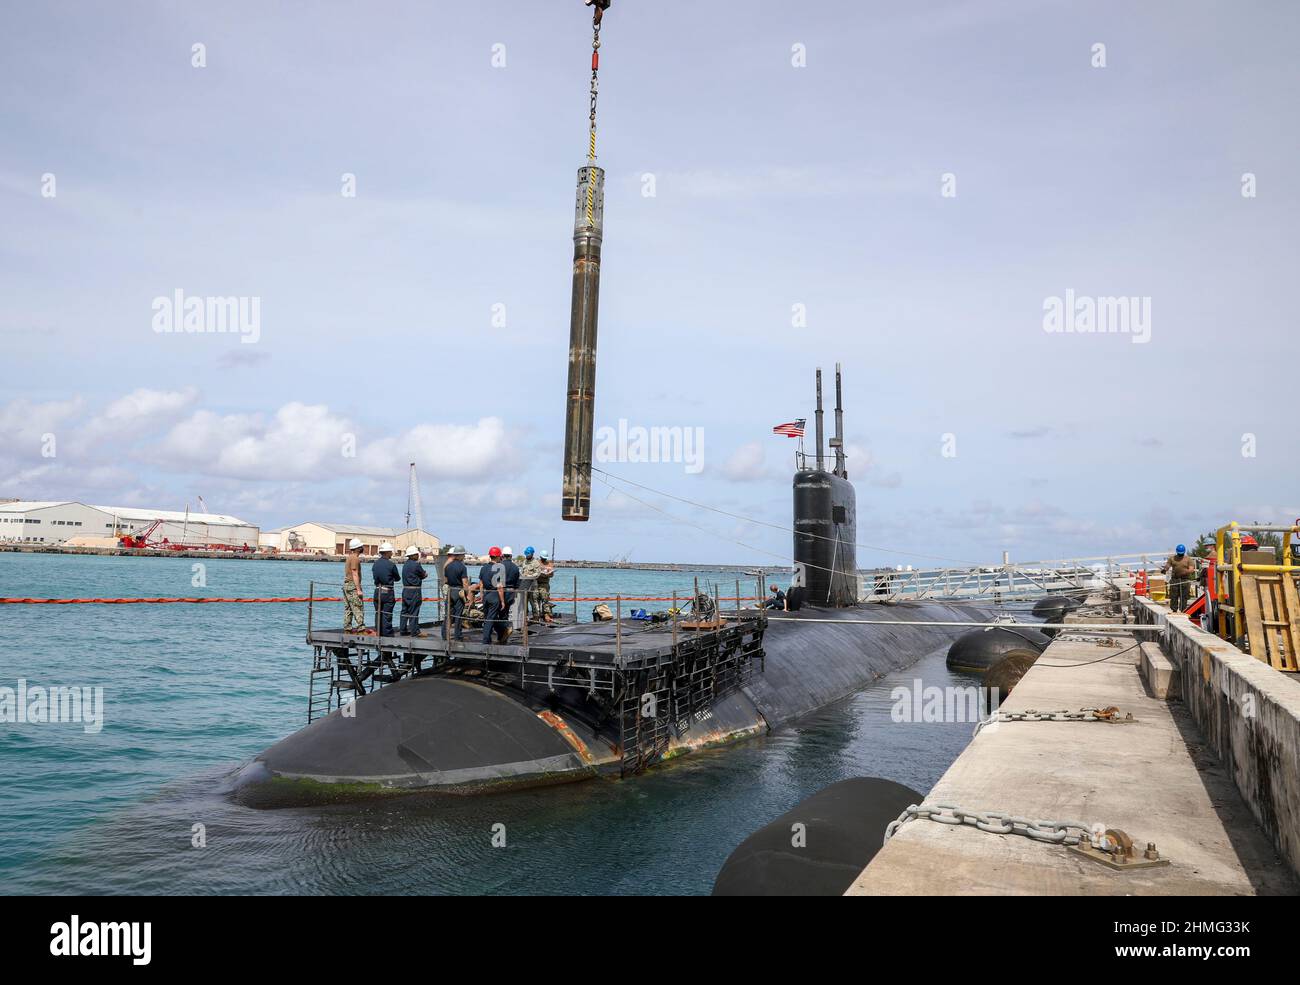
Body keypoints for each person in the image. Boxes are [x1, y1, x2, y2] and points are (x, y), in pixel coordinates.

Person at [441, 545, 471, 641]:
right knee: (458, 615)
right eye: (463, 554)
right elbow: (465, 583)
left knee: (448, 614)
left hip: (450, 591)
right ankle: (458, 636)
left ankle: (445, 635)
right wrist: (467, 594)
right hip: (458, 591)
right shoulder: (462, 567)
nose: (464, 556)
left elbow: (445, 579)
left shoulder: (448, 566)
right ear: (460, 555)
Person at [477, 546, 506, 644]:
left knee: (488, 617)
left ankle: (501, 632)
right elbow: (499, 587)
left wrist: (481, 596)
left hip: (486, 594)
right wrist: (502, 601)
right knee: (490, 619)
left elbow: (480, 584)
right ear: (498, 557)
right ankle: (485, 640)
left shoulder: (483, 568)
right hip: (494, 595)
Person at [371, 542, 401, 635]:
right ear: (387, 552)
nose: (392, 553)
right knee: (387, 614)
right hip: (388, 591)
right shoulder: (391, 565)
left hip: (377, 590)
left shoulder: (375, 564)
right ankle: (387, 633)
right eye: (391, 552)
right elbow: (397, 578)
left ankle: (378, 631)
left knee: (378, 613)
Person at [342, 537, 370, 634]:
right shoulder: (355, 558)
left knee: (348, 607)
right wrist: (358, 589)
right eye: (361, 546)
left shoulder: (349, 557)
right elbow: (355, 573)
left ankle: (347, 628)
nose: (362, 547)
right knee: (358, 606)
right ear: (358, 548)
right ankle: (361, 629)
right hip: (352, 585)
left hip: (346, 585)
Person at [399, 545, 428, 637]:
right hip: (414, 591)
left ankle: (402, 630)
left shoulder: (405, 565)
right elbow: (423, 575)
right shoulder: (416, 565)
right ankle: (415, 631)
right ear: (413, 555)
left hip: (405, 590)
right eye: (416, 554)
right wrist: (425, 574)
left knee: (404, 610)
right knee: (414, 611)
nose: (418, 555)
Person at [1161, 543, 1197, 613]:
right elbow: (1168, 565)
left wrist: (1184, 572)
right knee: (1173, 596)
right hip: (1175, 579)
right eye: (1179, 553)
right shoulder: (1172, 558)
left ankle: (1183, 610)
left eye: (1181, 553)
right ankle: (1174, 610)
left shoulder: (1188, 559)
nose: (1180, 555)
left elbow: (1191, 569)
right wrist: (1165, 569)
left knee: (1184, 596)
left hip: (1184, 580)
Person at [501, 546, 522, 641]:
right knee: (506, 612)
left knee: (499, 613)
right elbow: (518, 583)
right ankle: (505, 631)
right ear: (511, 555)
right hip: (511, 592)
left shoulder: (499, 566)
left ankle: (503, 631)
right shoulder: (515, 567)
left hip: (501, 591)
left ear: (502, 555)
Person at [519, 546, 542, 621]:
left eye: (528, 554)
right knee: (524, 601)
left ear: (532, 554)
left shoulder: (536, 563)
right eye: (526, 554)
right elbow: (522, 571)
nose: (527, 555)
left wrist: (529, 576)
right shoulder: (524, 562)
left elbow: (538, 574)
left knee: (534, 601)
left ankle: (536, 617)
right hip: (525, 585)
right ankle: (525, 616)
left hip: (533, 585)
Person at [536, 550, 555, 624]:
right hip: (536, 583)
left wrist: (548, 574)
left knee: (545, 599)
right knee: (536, 599)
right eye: (543, 558)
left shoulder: (549, 564)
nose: (544, 559)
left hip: (545, 584)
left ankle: (546, 614)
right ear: (540, 557)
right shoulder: (537, 563)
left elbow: (552, 575)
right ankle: (537, 614)